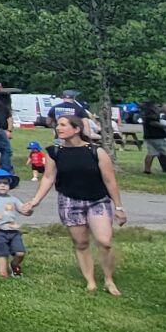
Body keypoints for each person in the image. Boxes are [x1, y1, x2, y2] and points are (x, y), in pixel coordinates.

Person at [21, 113, 127, 296]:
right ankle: (90, 281)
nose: (58, 128)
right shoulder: (54, 152)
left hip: (97, 200)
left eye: (63, 125)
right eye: (57, 125)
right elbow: (48, 178)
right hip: (69, 201)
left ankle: (109, 280)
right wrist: (35, 201)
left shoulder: (96, 152)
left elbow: (110, 181)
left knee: (105, 242)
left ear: (76, 129)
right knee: (81, 243)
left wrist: (118, 208)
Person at [142, 104, 166, 176]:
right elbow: (154, 123)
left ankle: (147, 170)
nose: (159, 107)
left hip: (149, 137)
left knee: (151, 153)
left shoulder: (145, 115)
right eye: (157, 106)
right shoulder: (152, 115)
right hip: (158, 137)